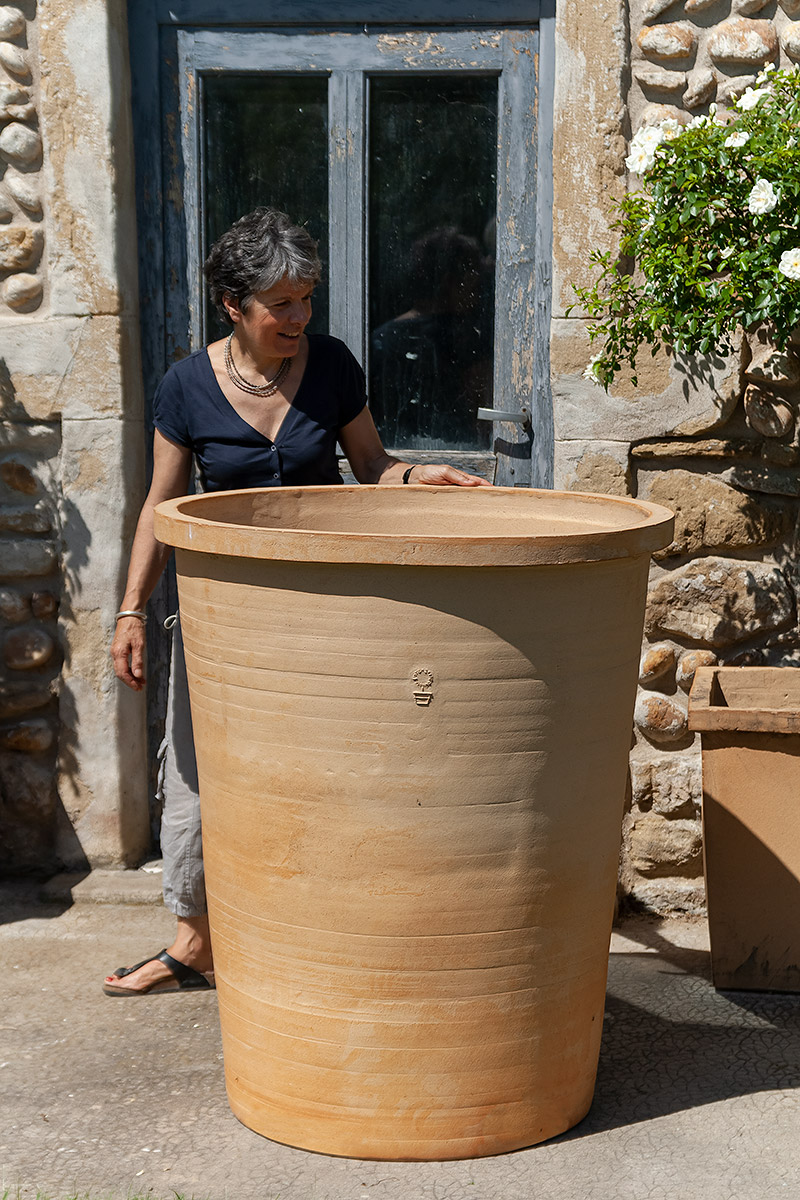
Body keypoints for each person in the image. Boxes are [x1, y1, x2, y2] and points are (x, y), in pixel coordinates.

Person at [104, 207, 490, 995]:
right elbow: (160, 505)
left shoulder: (333, 365)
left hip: (329, 612)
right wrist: (131, 611)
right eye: (280, 303)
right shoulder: (185, 385)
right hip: (223, 612)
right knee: (196, 770)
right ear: (232, 306)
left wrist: (420, 477)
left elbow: (372, 465)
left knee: (335, 773)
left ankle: (327, 928)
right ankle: (193, 941)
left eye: (306, 299)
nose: (298, 317)